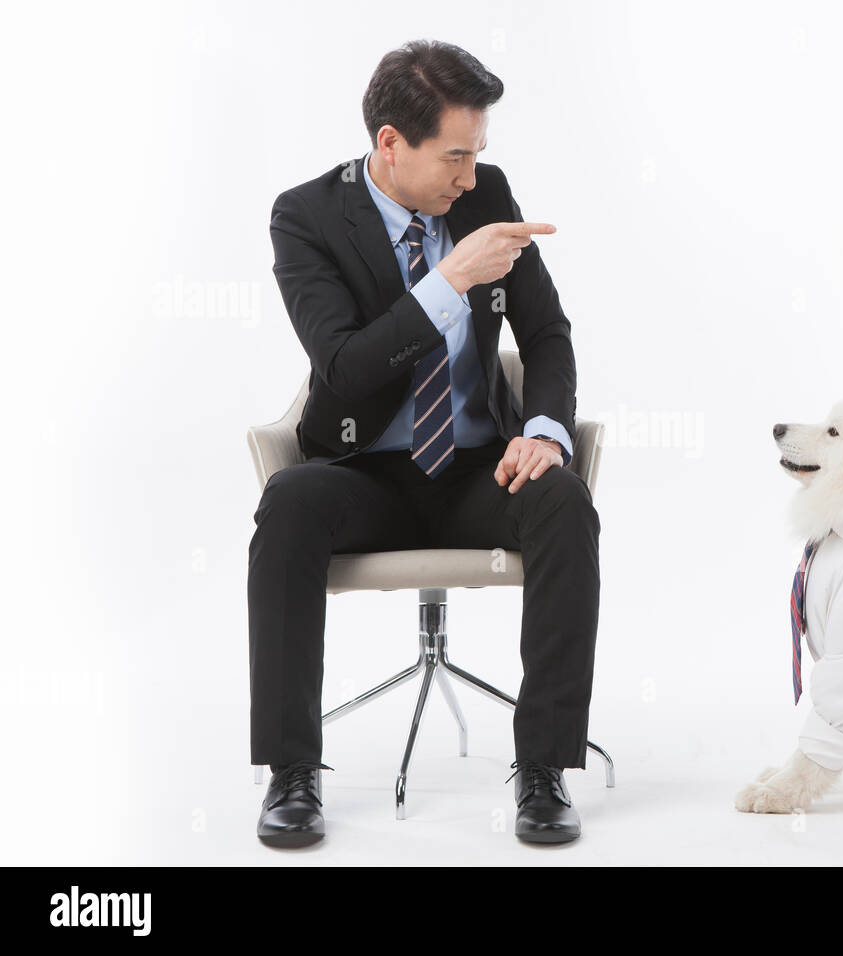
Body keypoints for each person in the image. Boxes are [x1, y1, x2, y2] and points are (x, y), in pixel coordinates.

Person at [247, 39, 600, 846]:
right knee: (288, 502)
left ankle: (543, 768)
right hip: (361, 472)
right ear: (390, 145)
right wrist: (451, 281)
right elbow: (341, 364)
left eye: (479, 156)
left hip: (481, 469)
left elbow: (544, 334)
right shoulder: (304, 216)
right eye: (456, 157)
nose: (471, 178)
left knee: (564, 504)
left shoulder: (485, 197)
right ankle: (292, 772)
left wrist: (544, 431)